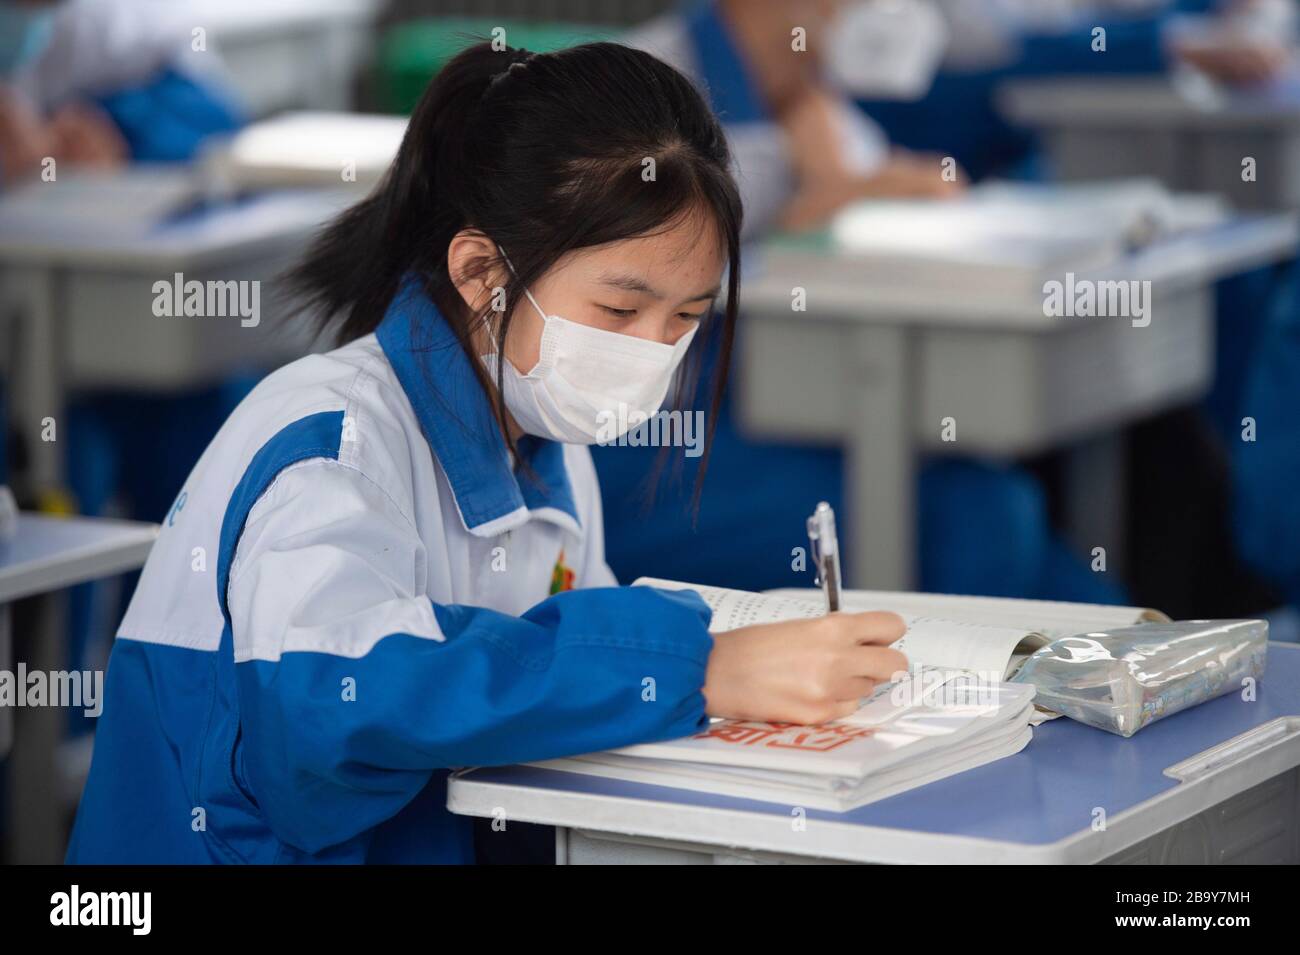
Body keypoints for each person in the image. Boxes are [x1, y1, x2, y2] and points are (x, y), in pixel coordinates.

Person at [65, 41, 909, 864]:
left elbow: (540, 706)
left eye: (686, 318)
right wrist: (695, 668)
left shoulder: (548, 447)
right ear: (481, 273)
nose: (654, 349)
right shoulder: (333, 443)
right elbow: (330, 705)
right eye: (620, 311)